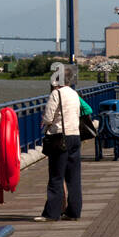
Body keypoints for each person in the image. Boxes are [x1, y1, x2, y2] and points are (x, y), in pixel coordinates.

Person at [35, 70, 83, 221]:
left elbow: (49, 117)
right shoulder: (74, 93)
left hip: (60, 137)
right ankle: (74, 212)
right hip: (75, 135)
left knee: (56, 176)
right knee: (73, 177)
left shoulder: (56, 94)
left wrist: (45, 121)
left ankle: (52, 213)